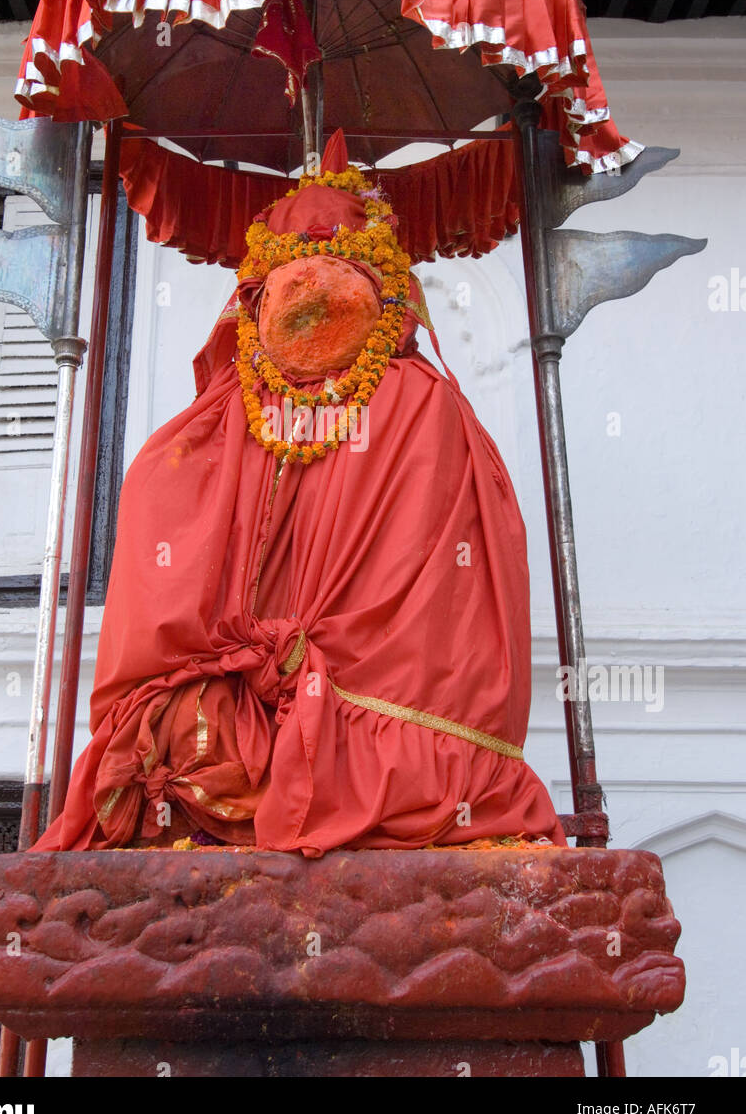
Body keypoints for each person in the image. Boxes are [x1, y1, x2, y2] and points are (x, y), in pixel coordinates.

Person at [34, 132, 565, 856]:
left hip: (301, 729)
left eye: (331, 271)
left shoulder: (398, 411)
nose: (314, 292)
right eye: (299, 275)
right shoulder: (392, 406)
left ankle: (282, 763)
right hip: (311, 731)